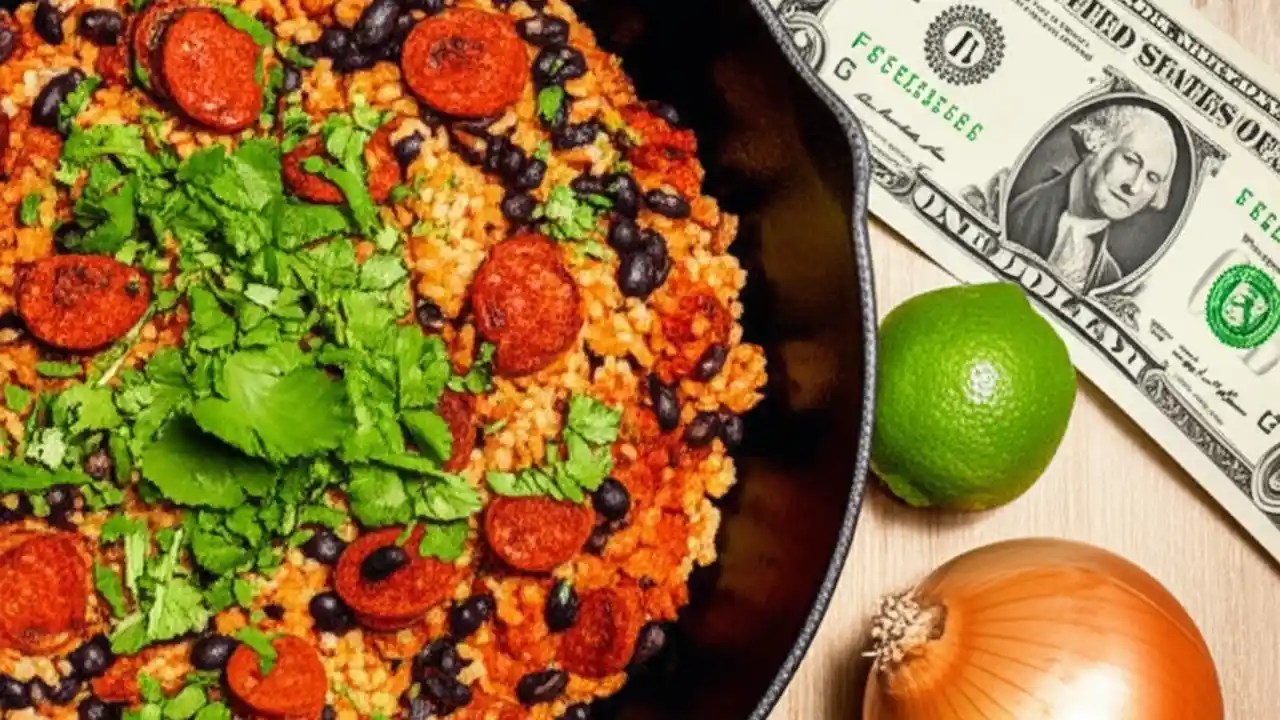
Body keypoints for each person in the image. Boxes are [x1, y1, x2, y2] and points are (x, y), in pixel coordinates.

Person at [1006, 104, 1177, 292]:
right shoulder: (1015, 208)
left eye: (1152, 178)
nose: (1134, 187)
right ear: (1096, 140)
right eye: (1131, 160)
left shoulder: (1110, 277)